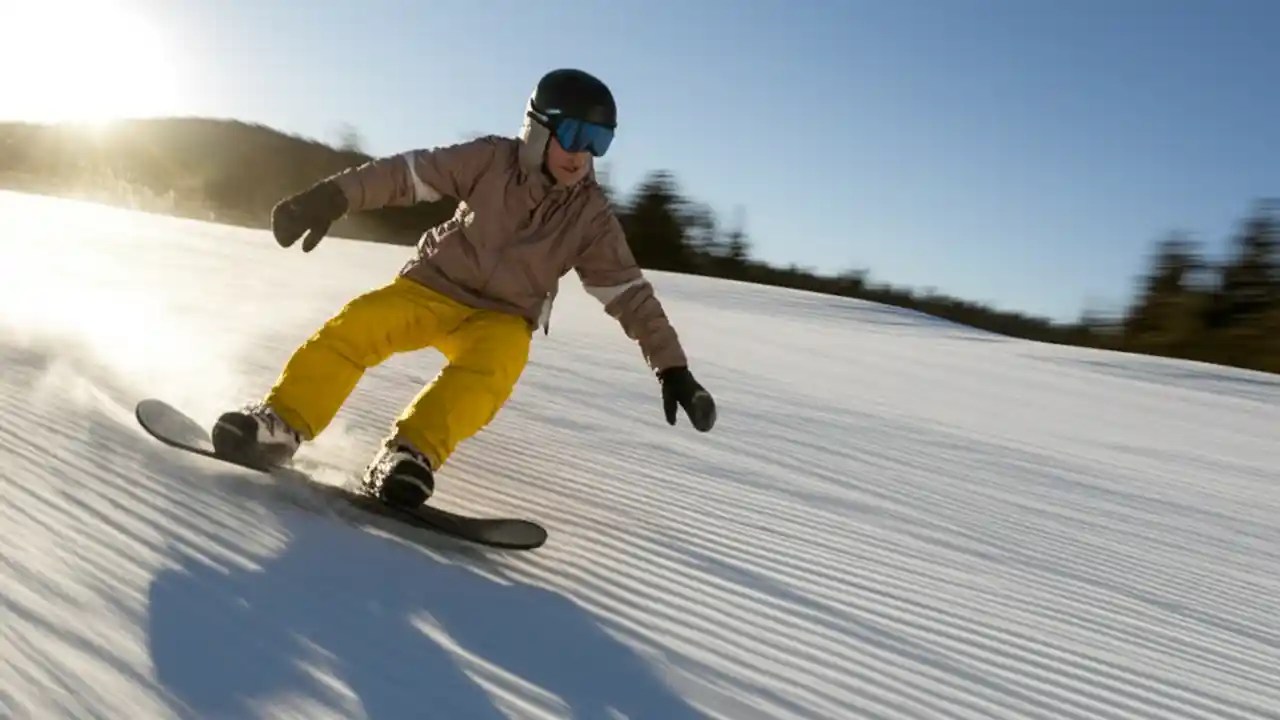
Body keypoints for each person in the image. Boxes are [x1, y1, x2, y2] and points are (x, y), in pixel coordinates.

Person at [212, 68, 717, 509]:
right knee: (361, 326)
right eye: (574, 133)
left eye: (599, 141)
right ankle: (280, 423)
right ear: (539, 128)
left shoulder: (590, 217)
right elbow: (408, 175)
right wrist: (332, 196)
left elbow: (629, 294)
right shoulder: (491, 160)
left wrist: (673, 369)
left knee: (495, 366)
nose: (583, 154)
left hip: (501, 316)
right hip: (434, 286)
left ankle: (407, 456)